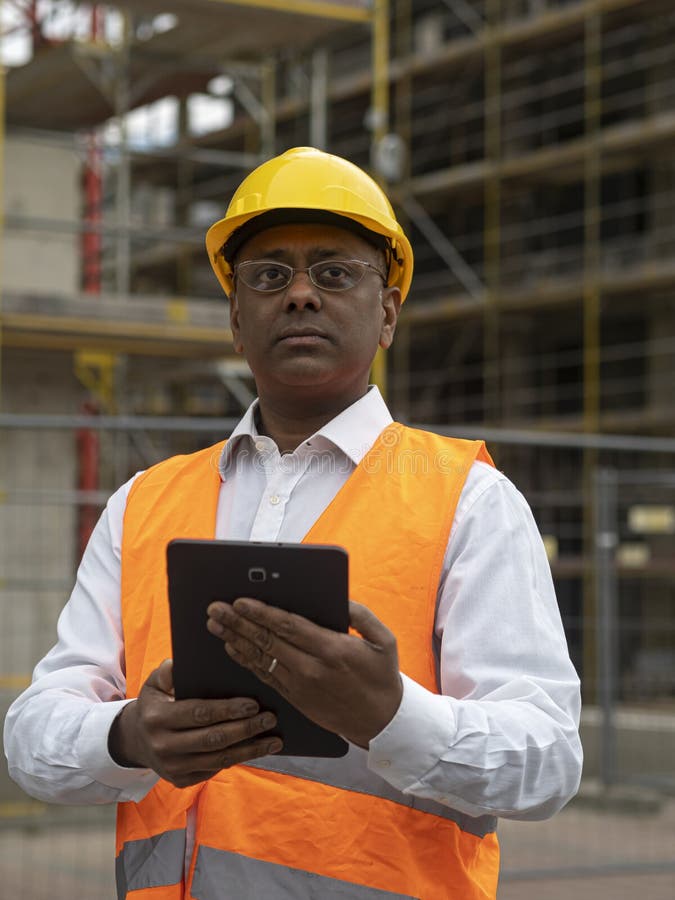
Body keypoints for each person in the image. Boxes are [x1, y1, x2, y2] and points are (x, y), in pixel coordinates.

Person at [4, 146, 582, 900]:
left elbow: (546, 762)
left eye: (335, 272)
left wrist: (393, 716)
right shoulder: (144, 501)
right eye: (269, 275)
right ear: (236, 319)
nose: (301, 294)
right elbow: (33, 735)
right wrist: (128, 737)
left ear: (387, 313)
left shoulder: (469, 501)